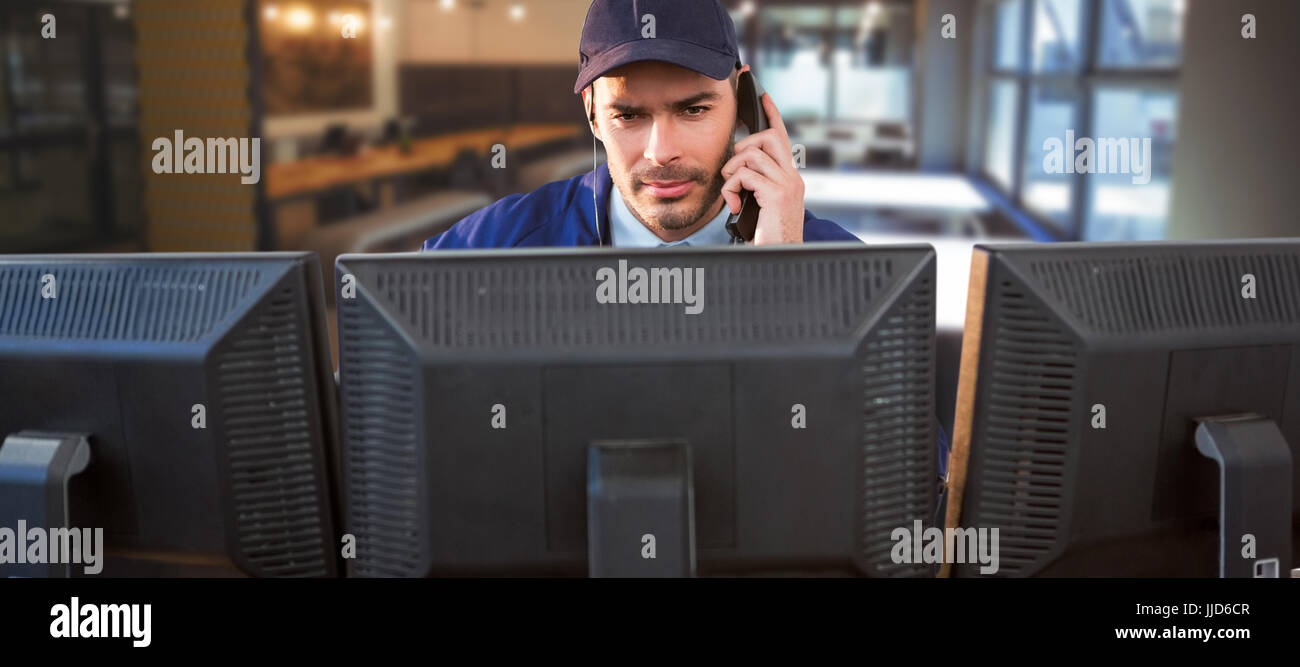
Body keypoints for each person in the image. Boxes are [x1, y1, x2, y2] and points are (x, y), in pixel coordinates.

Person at [421, 0, 859, 250]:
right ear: (592, 111)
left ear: (745, 106)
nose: (660, 152)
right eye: (628, 116)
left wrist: (792, 286)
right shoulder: (496, 246)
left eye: (694, 111)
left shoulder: (845, 271)